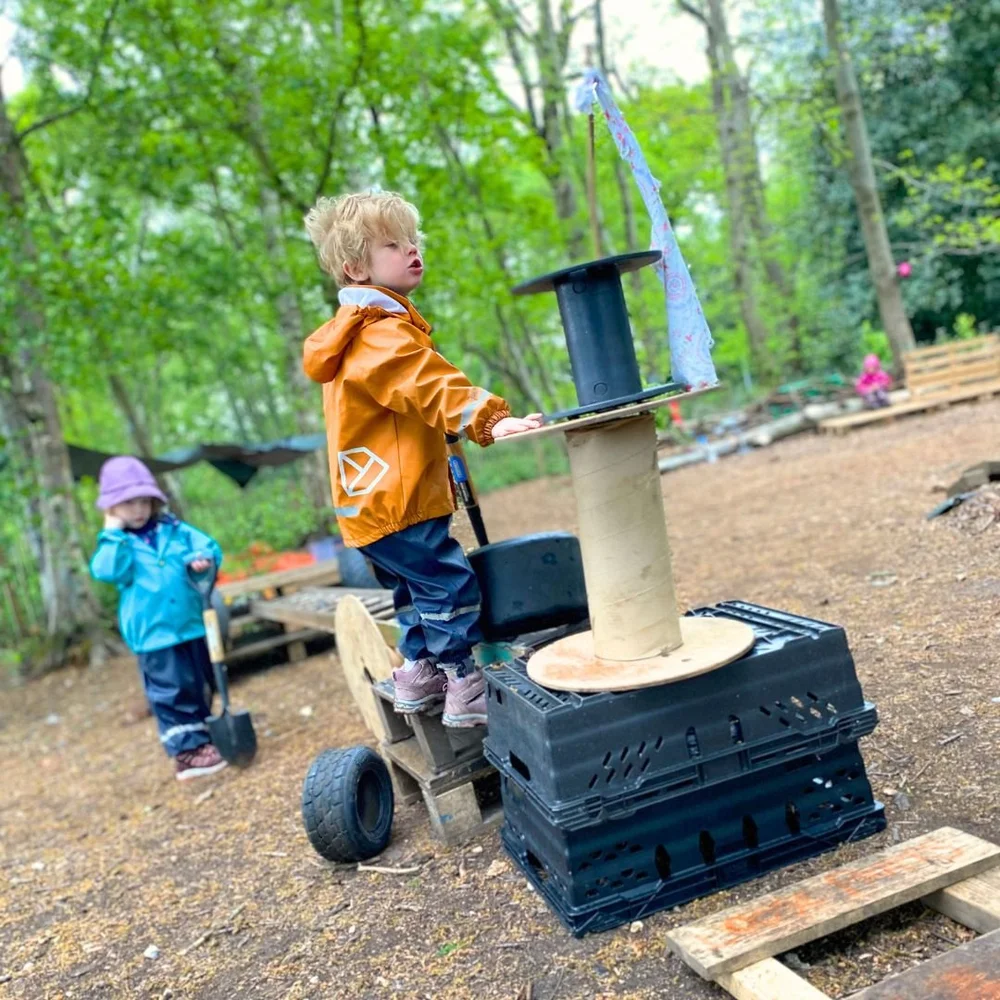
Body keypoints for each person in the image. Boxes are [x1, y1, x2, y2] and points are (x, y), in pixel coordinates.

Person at [302, 191, 542, 727]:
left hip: (367, 504)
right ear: (355, 267)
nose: (412, 251)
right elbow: (426, 384)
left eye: (414, 240)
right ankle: (463, 681)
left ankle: (419, 669)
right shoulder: (379, 334)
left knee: (414, 589)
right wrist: (485, 417)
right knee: (447, 585)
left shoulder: (351, 338)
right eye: (393, 244)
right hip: (398, 497)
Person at [90, 456, 227, 780]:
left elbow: (209, 548)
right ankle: (186, 752)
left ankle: (204, 736)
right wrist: (111, 533)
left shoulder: (175, 530)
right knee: (171, 690)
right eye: (127, 504)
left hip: (191, 624)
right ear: (111, 509)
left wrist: (201, 560)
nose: (138, 510)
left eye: (143, 501)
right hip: (153, 634)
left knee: (199, 682)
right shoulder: (118, 544)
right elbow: (106, 570)